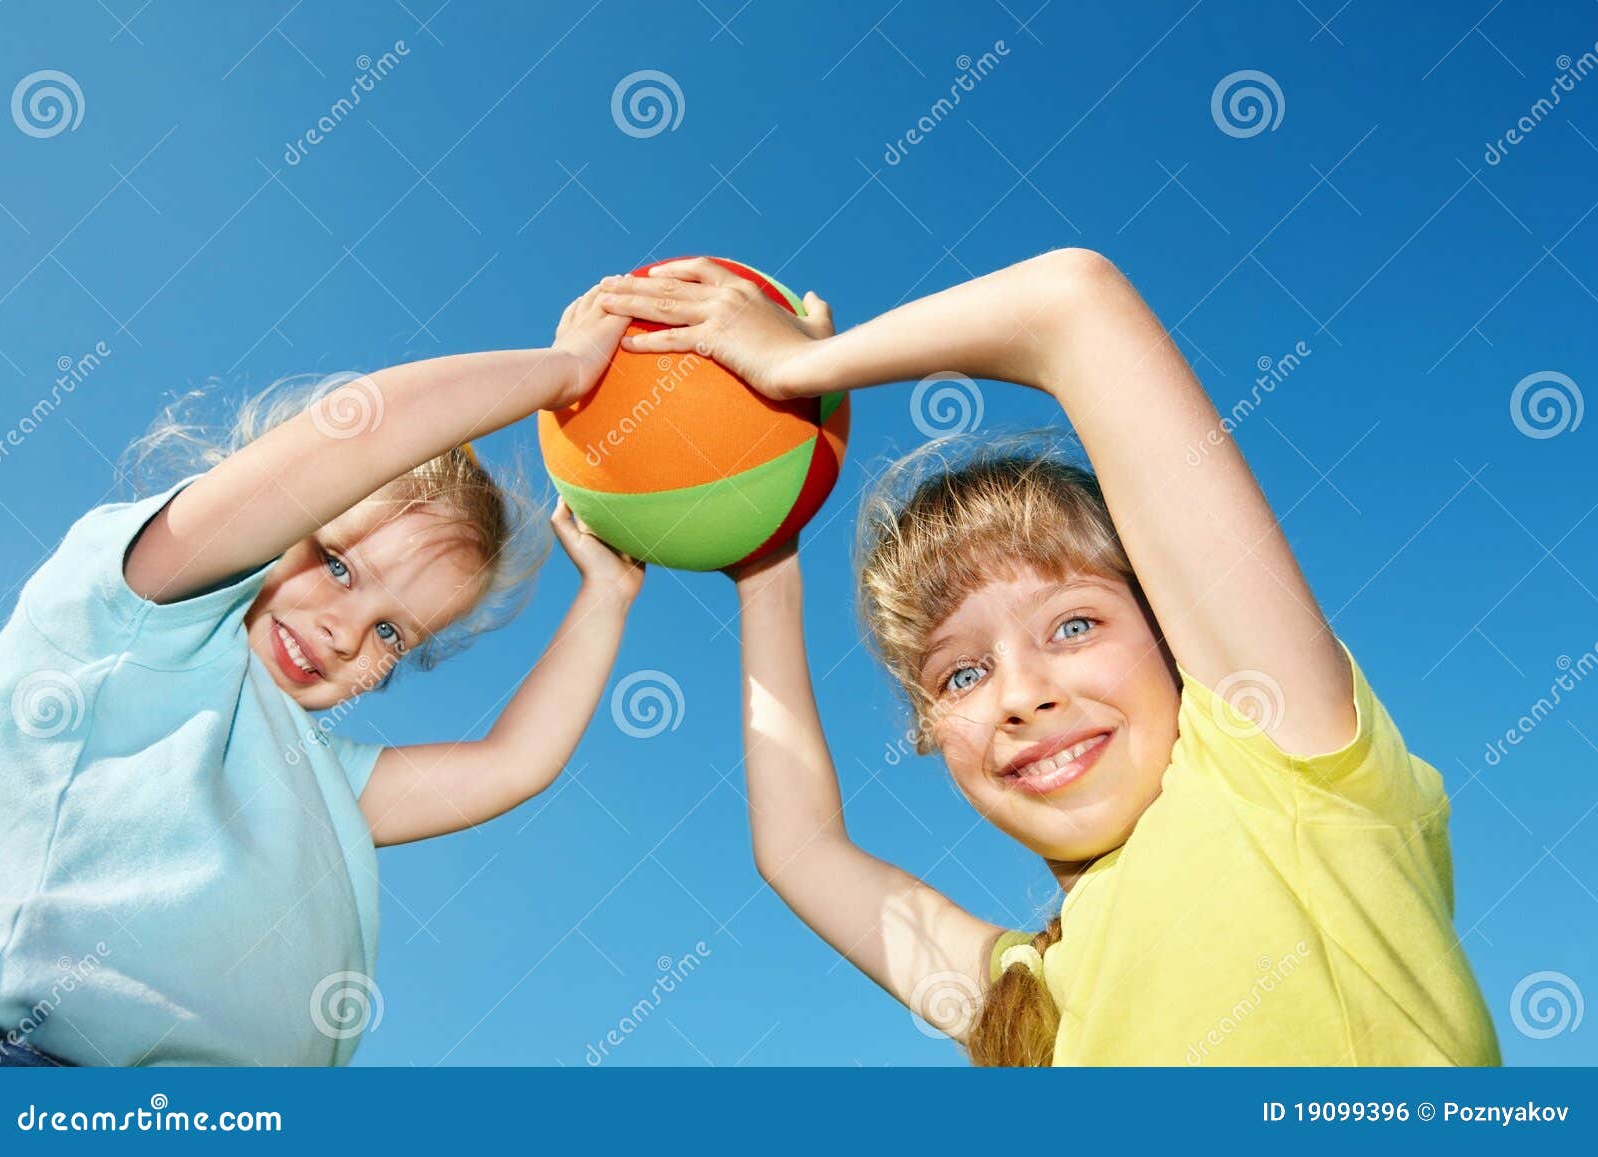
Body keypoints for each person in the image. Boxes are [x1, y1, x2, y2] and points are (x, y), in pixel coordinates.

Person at [597, 250, 1501, 1066]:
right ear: (928, 731)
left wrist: (804, 364)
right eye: (960, 673)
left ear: (1177, 638)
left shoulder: (1285, 771)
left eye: (1073, 626)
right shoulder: (1024, 996)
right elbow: (800, 848)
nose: (1021, 695)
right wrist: (765, 553)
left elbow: (1074, 307)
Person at [0, 286, 641, 1066]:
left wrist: (607, 594)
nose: (344, 632)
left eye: (390, 633)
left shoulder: (316, 778)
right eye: (336, 563)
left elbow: (514, 764)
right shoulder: (135, 619)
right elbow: (354, 438)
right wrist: (564, 370)